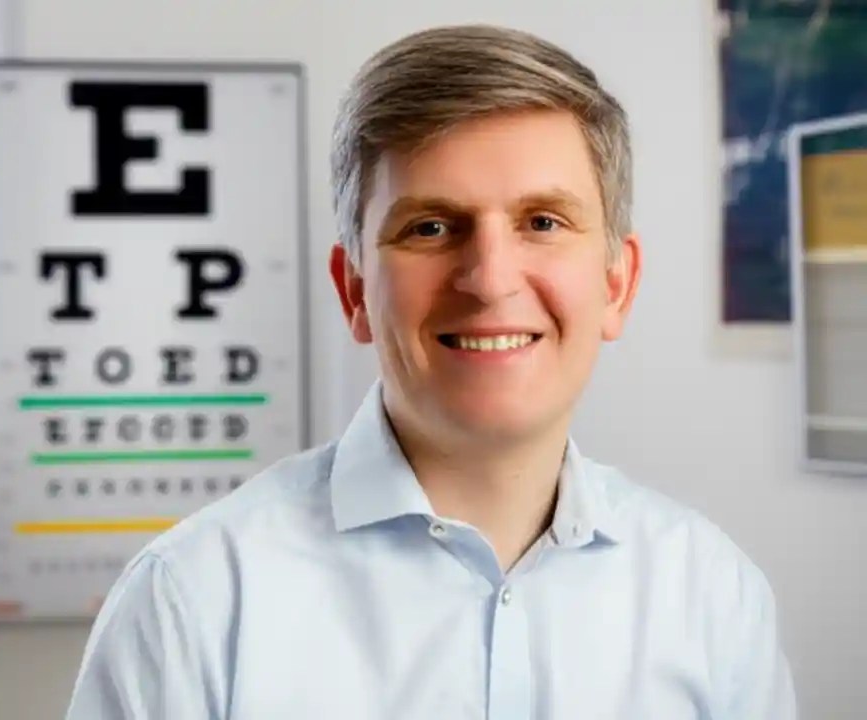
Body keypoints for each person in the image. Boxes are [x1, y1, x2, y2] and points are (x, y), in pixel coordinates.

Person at [64, 24, 798, 719]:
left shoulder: (713, 596)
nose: (489, 278)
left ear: (616, 285)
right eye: (431, 227)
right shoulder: (190, 602)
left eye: (543, 221)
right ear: (353, 290)